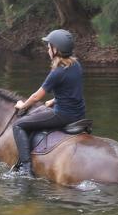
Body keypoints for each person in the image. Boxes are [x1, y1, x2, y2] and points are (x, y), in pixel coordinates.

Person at [10, 29, 86, 177]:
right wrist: (53, 100)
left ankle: (26, 170)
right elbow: (71, 90)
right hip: (79, 114)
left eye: (49, 46)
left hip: (63, 115)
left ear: (56, 49)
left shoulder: (57, 72)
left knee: (18, 125)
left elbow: (36, 96)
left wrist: (22, 105)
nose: (47, 49)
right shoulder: (76, 65)